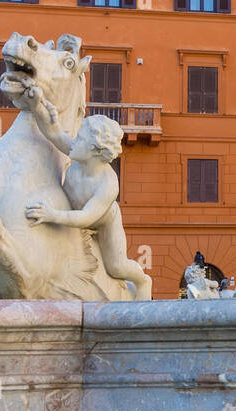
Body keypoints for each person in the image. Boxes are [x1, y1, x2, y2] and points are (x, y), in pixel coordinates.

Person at [24, 107, 152, 301]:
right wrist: (46, 115)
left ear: (95, 149)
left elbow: (86, 217)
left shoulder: (107, 184)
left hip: (103, 223)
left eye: (81, 138)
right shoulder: (78, 155)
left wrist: (52, 214)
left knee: (117, 266)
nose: (75, 140)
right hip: (71, 211)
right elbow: (54, 134)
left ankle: (142, 281)